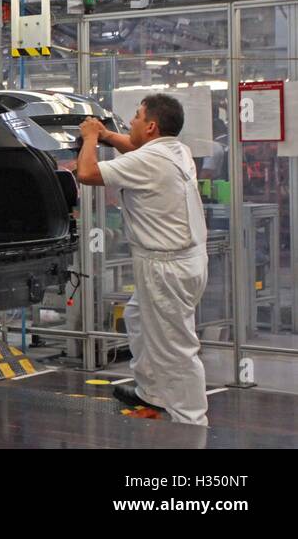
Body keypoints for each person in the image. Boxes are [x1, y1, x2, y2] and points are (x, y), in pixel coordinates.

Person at [75, 95, 210, 426]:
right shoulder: (175, 151)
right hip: (186, 260)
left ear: (151, 126)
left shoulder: (151, 161)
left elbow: (87, 173)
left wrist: (91, 137)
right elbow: (135, 149)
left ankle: (192, 423)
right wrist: (106, 135)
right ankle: (152, 391)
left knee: (176, 349)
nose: (131, 122)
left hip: (165, 266)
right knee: (136, 316)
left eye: (136, 116)